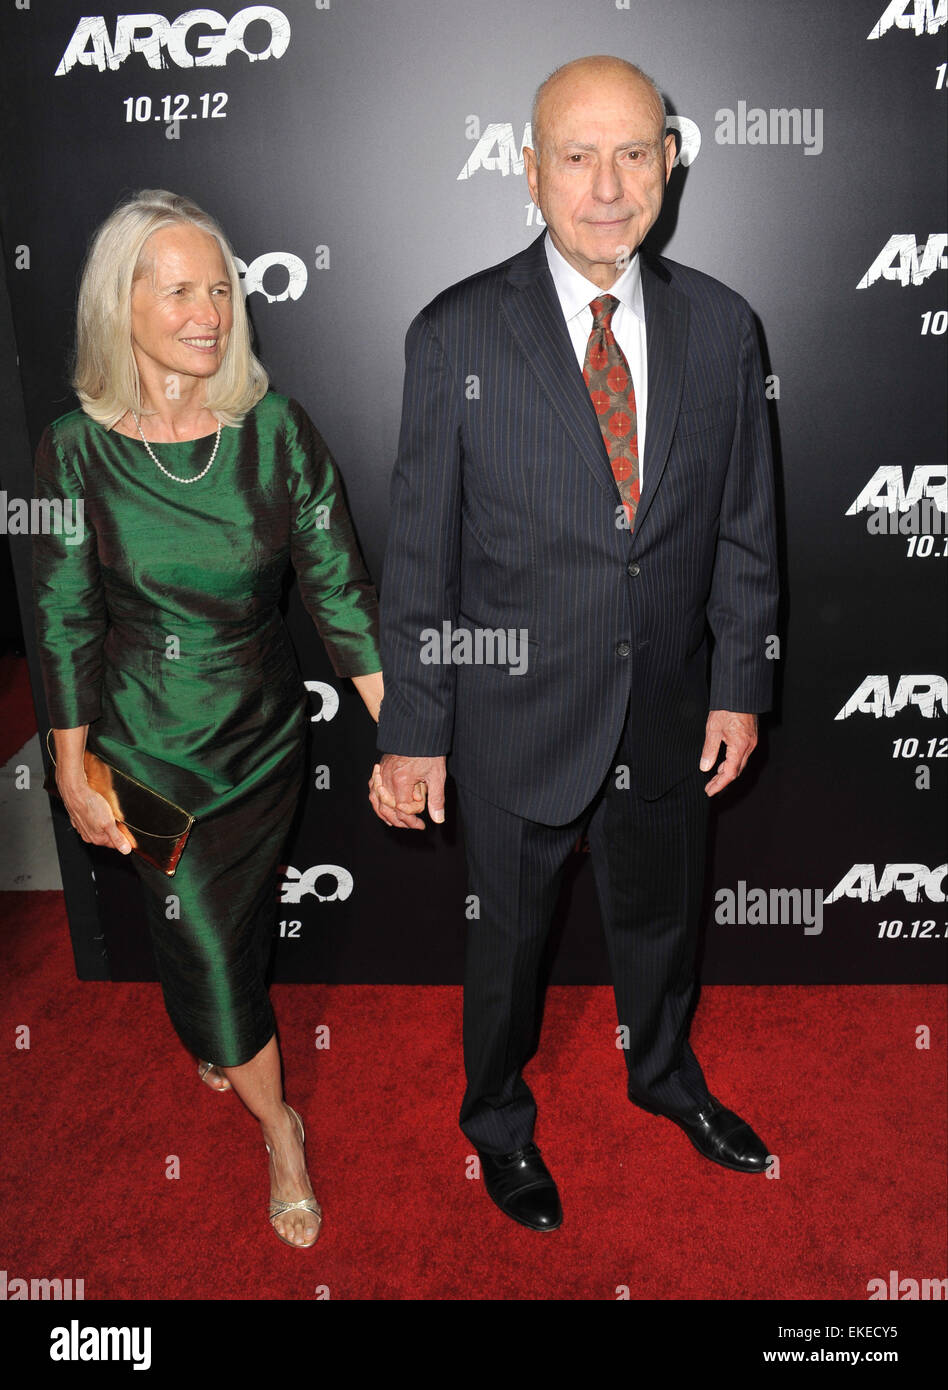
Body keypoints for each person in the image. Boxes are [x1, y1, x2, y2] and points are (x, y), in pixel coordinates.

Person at [370, 56, 778, 1232]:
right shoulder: (456, 331)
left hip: (664, 704)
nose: (609, 184)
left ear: (670, 163)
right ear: (529, 166)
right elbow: (423, 557)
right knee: (505, 952)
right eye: (578, 154)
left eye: (636, 151)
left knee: (661, 921)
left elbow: (747, 526)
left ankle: (665, 1076)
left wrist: (741, 682)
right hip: (512, 725)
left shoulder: (723, 325)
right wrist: (418, 732)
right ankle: (495, 1120)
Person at [33, 189, 382, 1249]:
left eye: (221, 288)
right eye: (179, 288)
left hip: (264, 741)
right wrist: (70, 764)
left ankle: (223, 1042)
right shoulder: (73, 451)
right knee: (218, 954)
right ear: (120, 303)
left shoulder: (274, 431)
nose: (210, 311)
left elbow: (340, 592)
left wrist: (401, 730)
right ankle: (281, 1125)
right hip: (146, 752)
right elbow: (63, 610)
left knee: (216, 940)